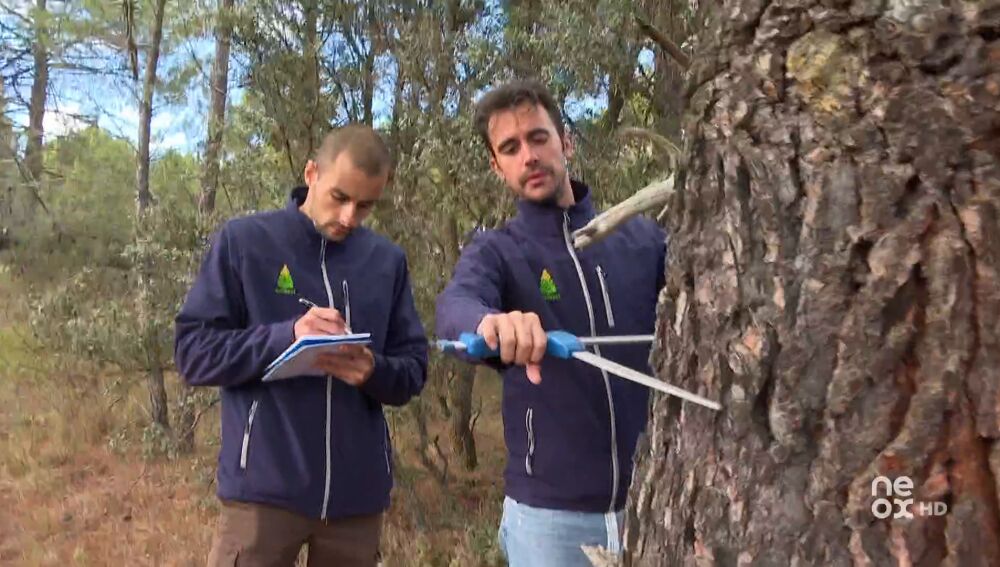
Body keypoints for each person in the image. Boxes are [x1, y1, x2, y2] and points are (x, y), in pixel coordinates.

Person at [435, 80, 667, 565]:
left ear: (566, 141)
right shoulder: (498, 250)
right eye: (510, 148)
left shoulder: (644, 239)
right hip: (548, 519)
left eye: (538, 138)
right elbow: (456, 307)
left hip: (658, 500)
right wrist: (490, 324)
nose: (529, 157)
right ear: (497, 167)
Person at [175, 124, 428, 566]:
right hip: (263, 495)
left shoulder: (387, 262)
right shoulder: (245, 242)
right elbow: (194, 353)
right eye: (339, 197)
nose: (350, 217)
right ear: (312, 173)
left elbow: (413, 368)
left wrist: (374, 372)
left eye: (365, 205)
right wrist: (286, 336)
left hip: (357, 502)